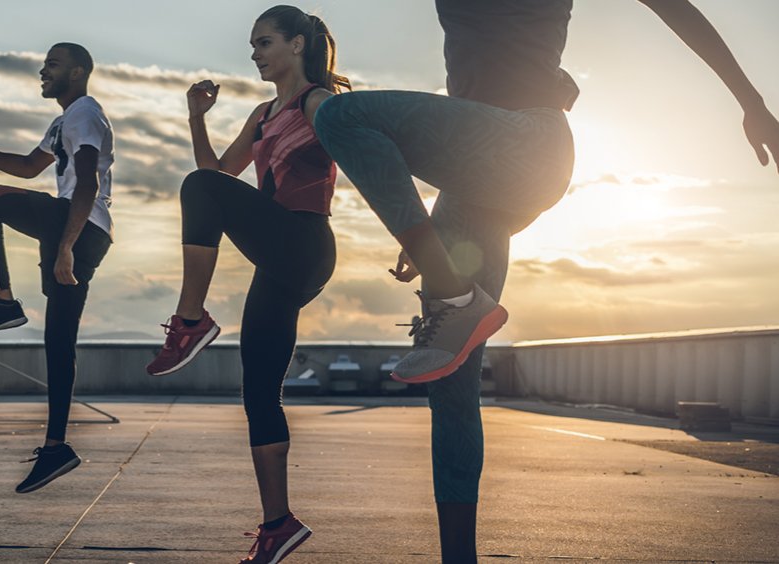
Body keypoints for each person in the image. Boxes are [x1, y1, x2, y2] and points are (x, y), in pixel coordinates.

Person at [312, 1, 779, 561]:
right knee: (450, 378)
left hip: (529, 144)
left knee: (340, 116)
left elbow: (674, 8)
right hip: (475, 171)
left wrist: (751, 102)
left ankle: (460, 298)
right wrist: (428, 235)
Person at [144, 6, 349, 562]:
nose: (255, 53)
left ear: (298, 45)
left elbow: (366, 158)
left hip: (304, 242)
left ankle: (191, 322)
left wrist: (411, 238)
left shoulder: (318, 104)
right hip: (277, 259)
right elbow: (219, 174)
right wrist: (195, 117)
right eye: (252, 45)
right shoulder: (262, 114)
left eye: (264, 42)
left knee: (199, 188)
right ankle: (278, 524)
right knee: (258, 390)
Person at [0, 42, 114, 494]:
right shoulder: (65, 119)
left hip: (76, 224)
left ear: (79, 72)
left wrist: (65, 245)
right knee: (59, 342)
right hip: (82, 230)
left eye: (53, 65)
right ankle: (56, 447)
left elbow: (89, 180)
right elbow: (28, 168)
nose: (43, 71)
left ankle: (3, 300)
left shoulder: (84, 112)